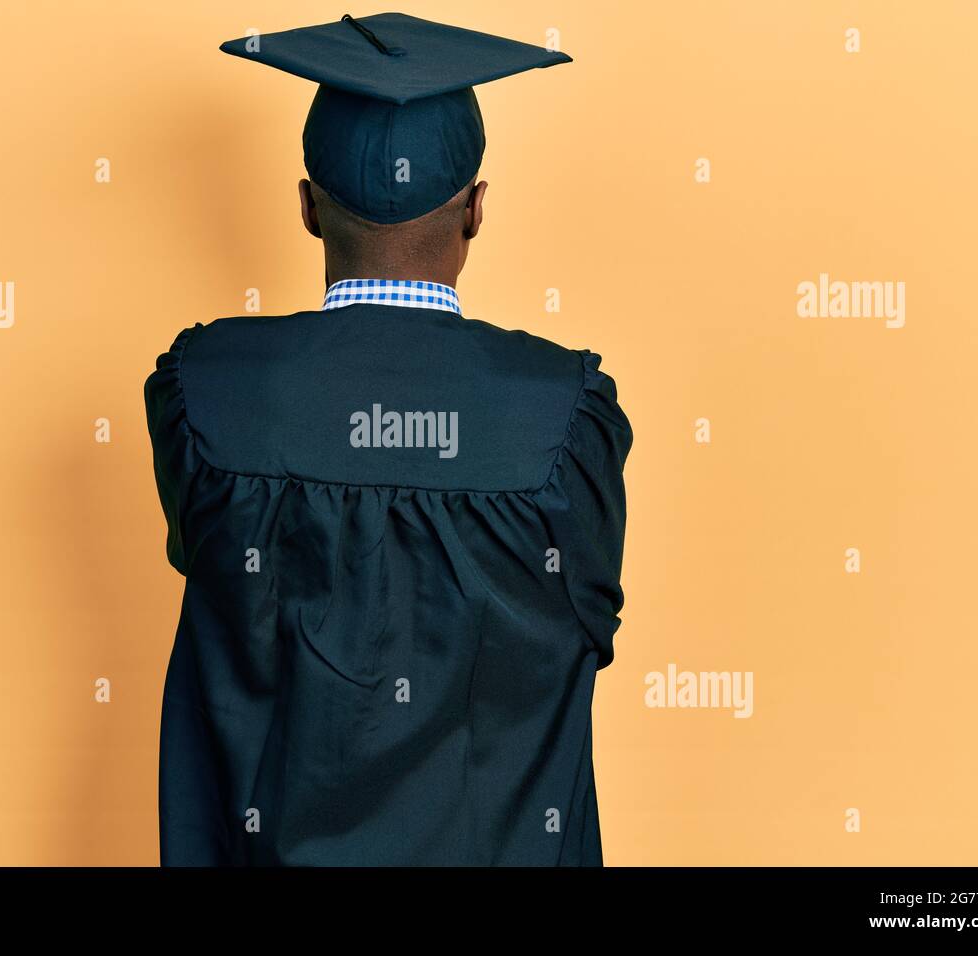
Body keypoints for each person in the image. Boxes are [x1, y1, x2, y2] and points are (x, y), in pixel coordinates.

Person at [144, 12, 633, 866]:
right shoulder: (565, 414)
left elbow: (208, 563)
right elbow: (590, 617)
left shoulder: (204, 389)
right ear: (476, 209)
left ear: (305, 207)